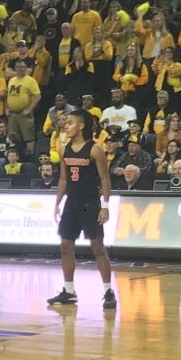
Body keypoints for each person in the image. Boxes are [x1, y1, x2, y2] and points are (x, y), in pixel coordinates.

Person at [50, 109, 117, 310]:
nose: (66, 125)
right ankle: (69, 291)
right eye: (65, 123)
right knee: (65, 246)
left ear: (81, 125)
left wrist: (105, 206)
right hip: (72, 202)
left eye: (70, 122)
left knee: (97, 247)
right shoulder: (64, 150)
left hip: (90, 202)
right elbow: (63, 179)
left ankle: (108, 291)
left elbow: (105, 179)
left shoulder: (94, 149)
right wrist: (57, 202)